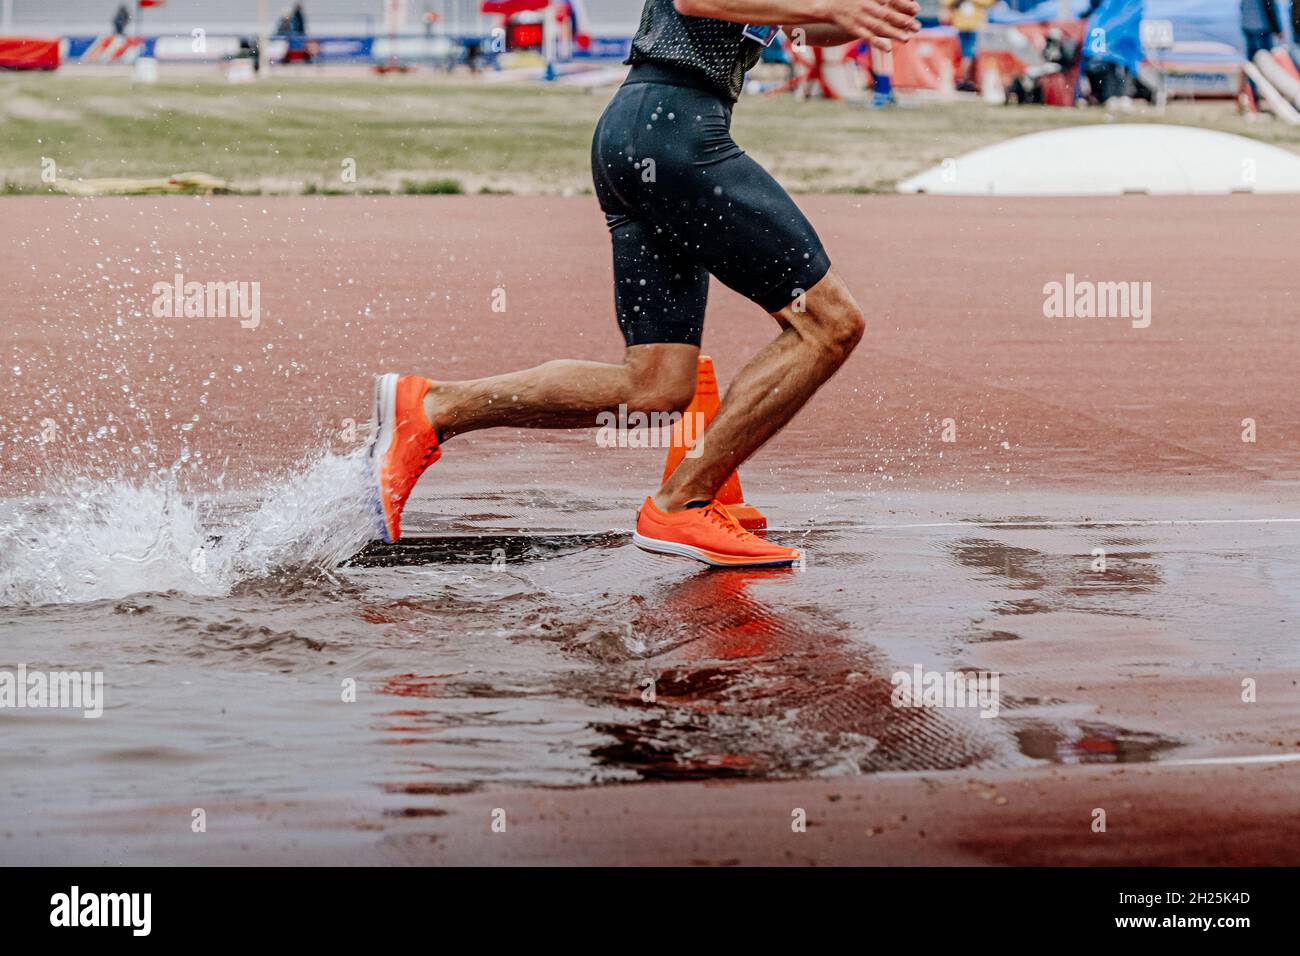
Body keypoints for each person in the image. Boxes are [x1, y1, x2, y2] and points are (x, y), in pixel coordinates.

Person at [366, 0, 920, 569]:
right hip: (674, 135)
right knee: (828, 324)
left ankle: (434, 407)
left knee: (655, 388)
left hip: (642, 133)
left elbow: (802, 26)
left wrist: (862, 17)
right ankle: (682, 503)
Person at [939, 0, 995, 92]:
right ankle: (964, 79)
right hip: (968, 26)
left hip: (971, 25)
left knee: (968, 54)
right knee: (968, 54)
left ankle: (965, 79)